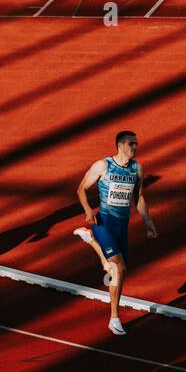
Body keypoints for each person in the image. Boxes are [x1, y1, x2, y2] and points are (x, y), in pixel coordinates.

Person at [72, 130, 158, 335]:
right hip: (104, 222)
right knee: (118, 267)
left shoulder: (137, 168)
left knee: (121, 270)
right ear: (120, 145)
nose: (135, 148)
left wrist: (149, 223)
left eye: (136, 144)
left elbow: (139, 198)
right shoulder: (103, 166)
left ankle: (92, 240)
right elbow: (81, 189)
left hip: (122, 225)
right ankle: (114, 318)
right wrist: (87, 211)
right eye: (131, 144)